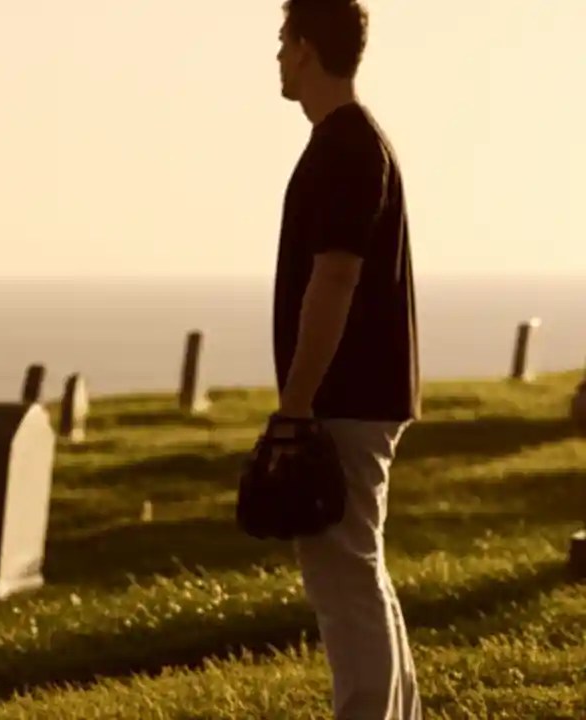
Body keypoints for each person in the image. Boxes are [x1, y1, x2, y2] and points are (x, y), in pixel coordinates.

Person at [272, 1, 422, 718]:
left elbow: (335, 277)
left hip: (347, 398)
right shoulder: (349, 142)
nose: (275, 58)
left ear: (305, 49)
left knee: (343, 579)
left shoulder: (346, 148)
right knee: (360, 568)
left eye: (280, 42)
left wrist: (296, 403)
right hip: (360, 394)